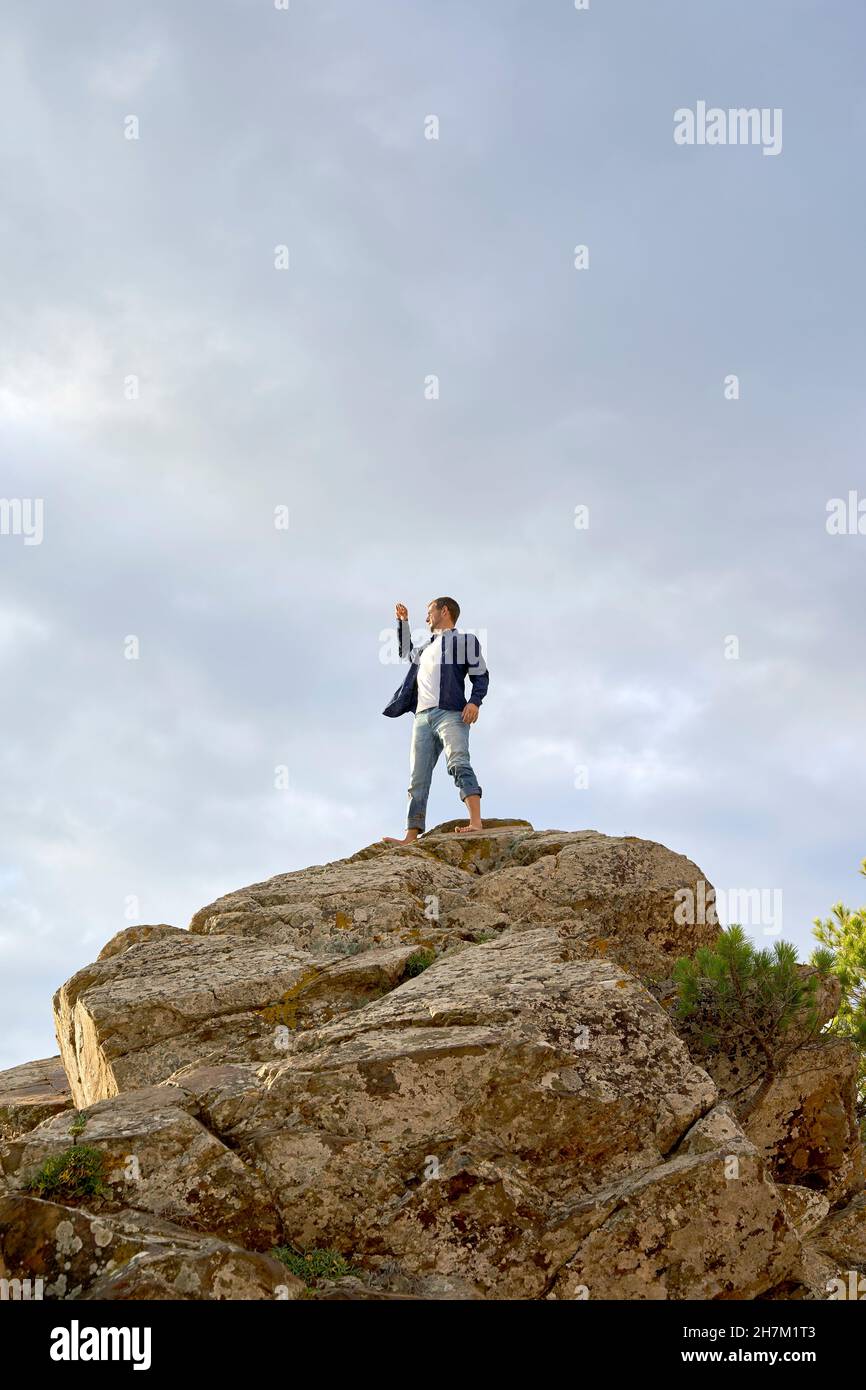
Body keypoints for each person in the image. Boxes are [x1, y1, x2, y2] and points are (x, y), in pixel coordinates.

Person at [382, 597, 489, 842]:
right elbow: (405, 652)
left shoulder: (464, 641)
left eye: (429, 612)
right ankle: (411, 835)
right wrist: (403, 623)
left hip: (451, 713)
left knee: (458, 763)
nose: (427, 617)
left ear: (444, 611)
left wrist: (474, 701)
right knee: (417, 777)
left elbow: (480, 675)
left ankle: (475, 822)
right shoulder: (425, 648)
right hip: (422, 717)